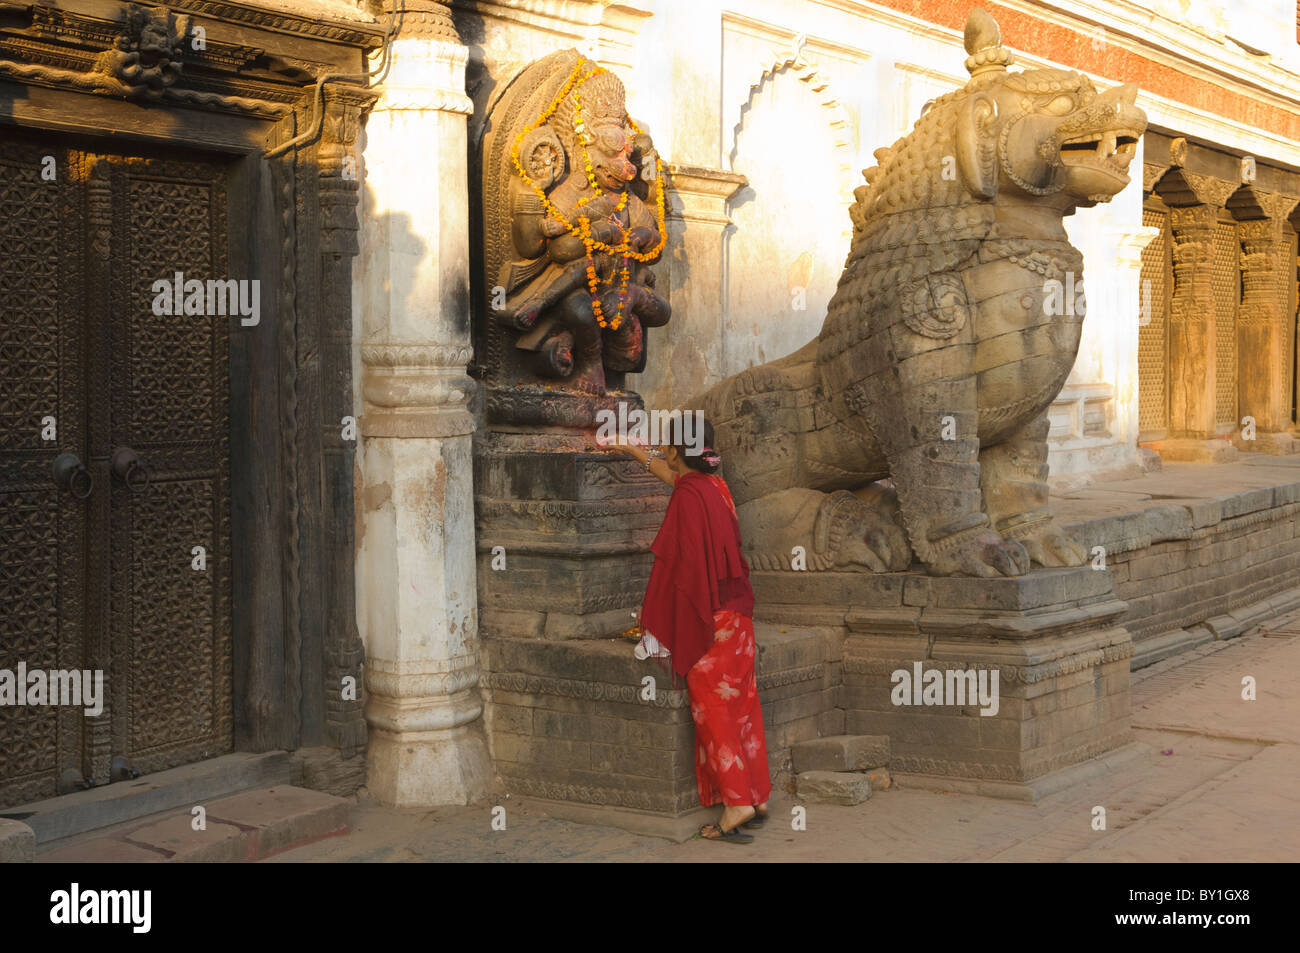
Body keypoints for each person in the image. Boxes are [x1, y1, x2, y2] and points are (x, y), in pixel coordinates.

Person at [609, 417, 772, 844]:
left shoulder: (688, 497)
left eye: (667, 448)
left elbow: (681, 568)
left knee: (713, 710)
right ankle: (756, 795)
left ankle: (736, 804)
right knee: (743, 704)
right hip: (739, 619)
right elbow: (677, 477)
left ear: (679, 452)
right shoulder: (715, 486)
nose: (663, 454)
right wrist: (632, 450)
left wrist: (661, 620)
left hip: (713, 620)